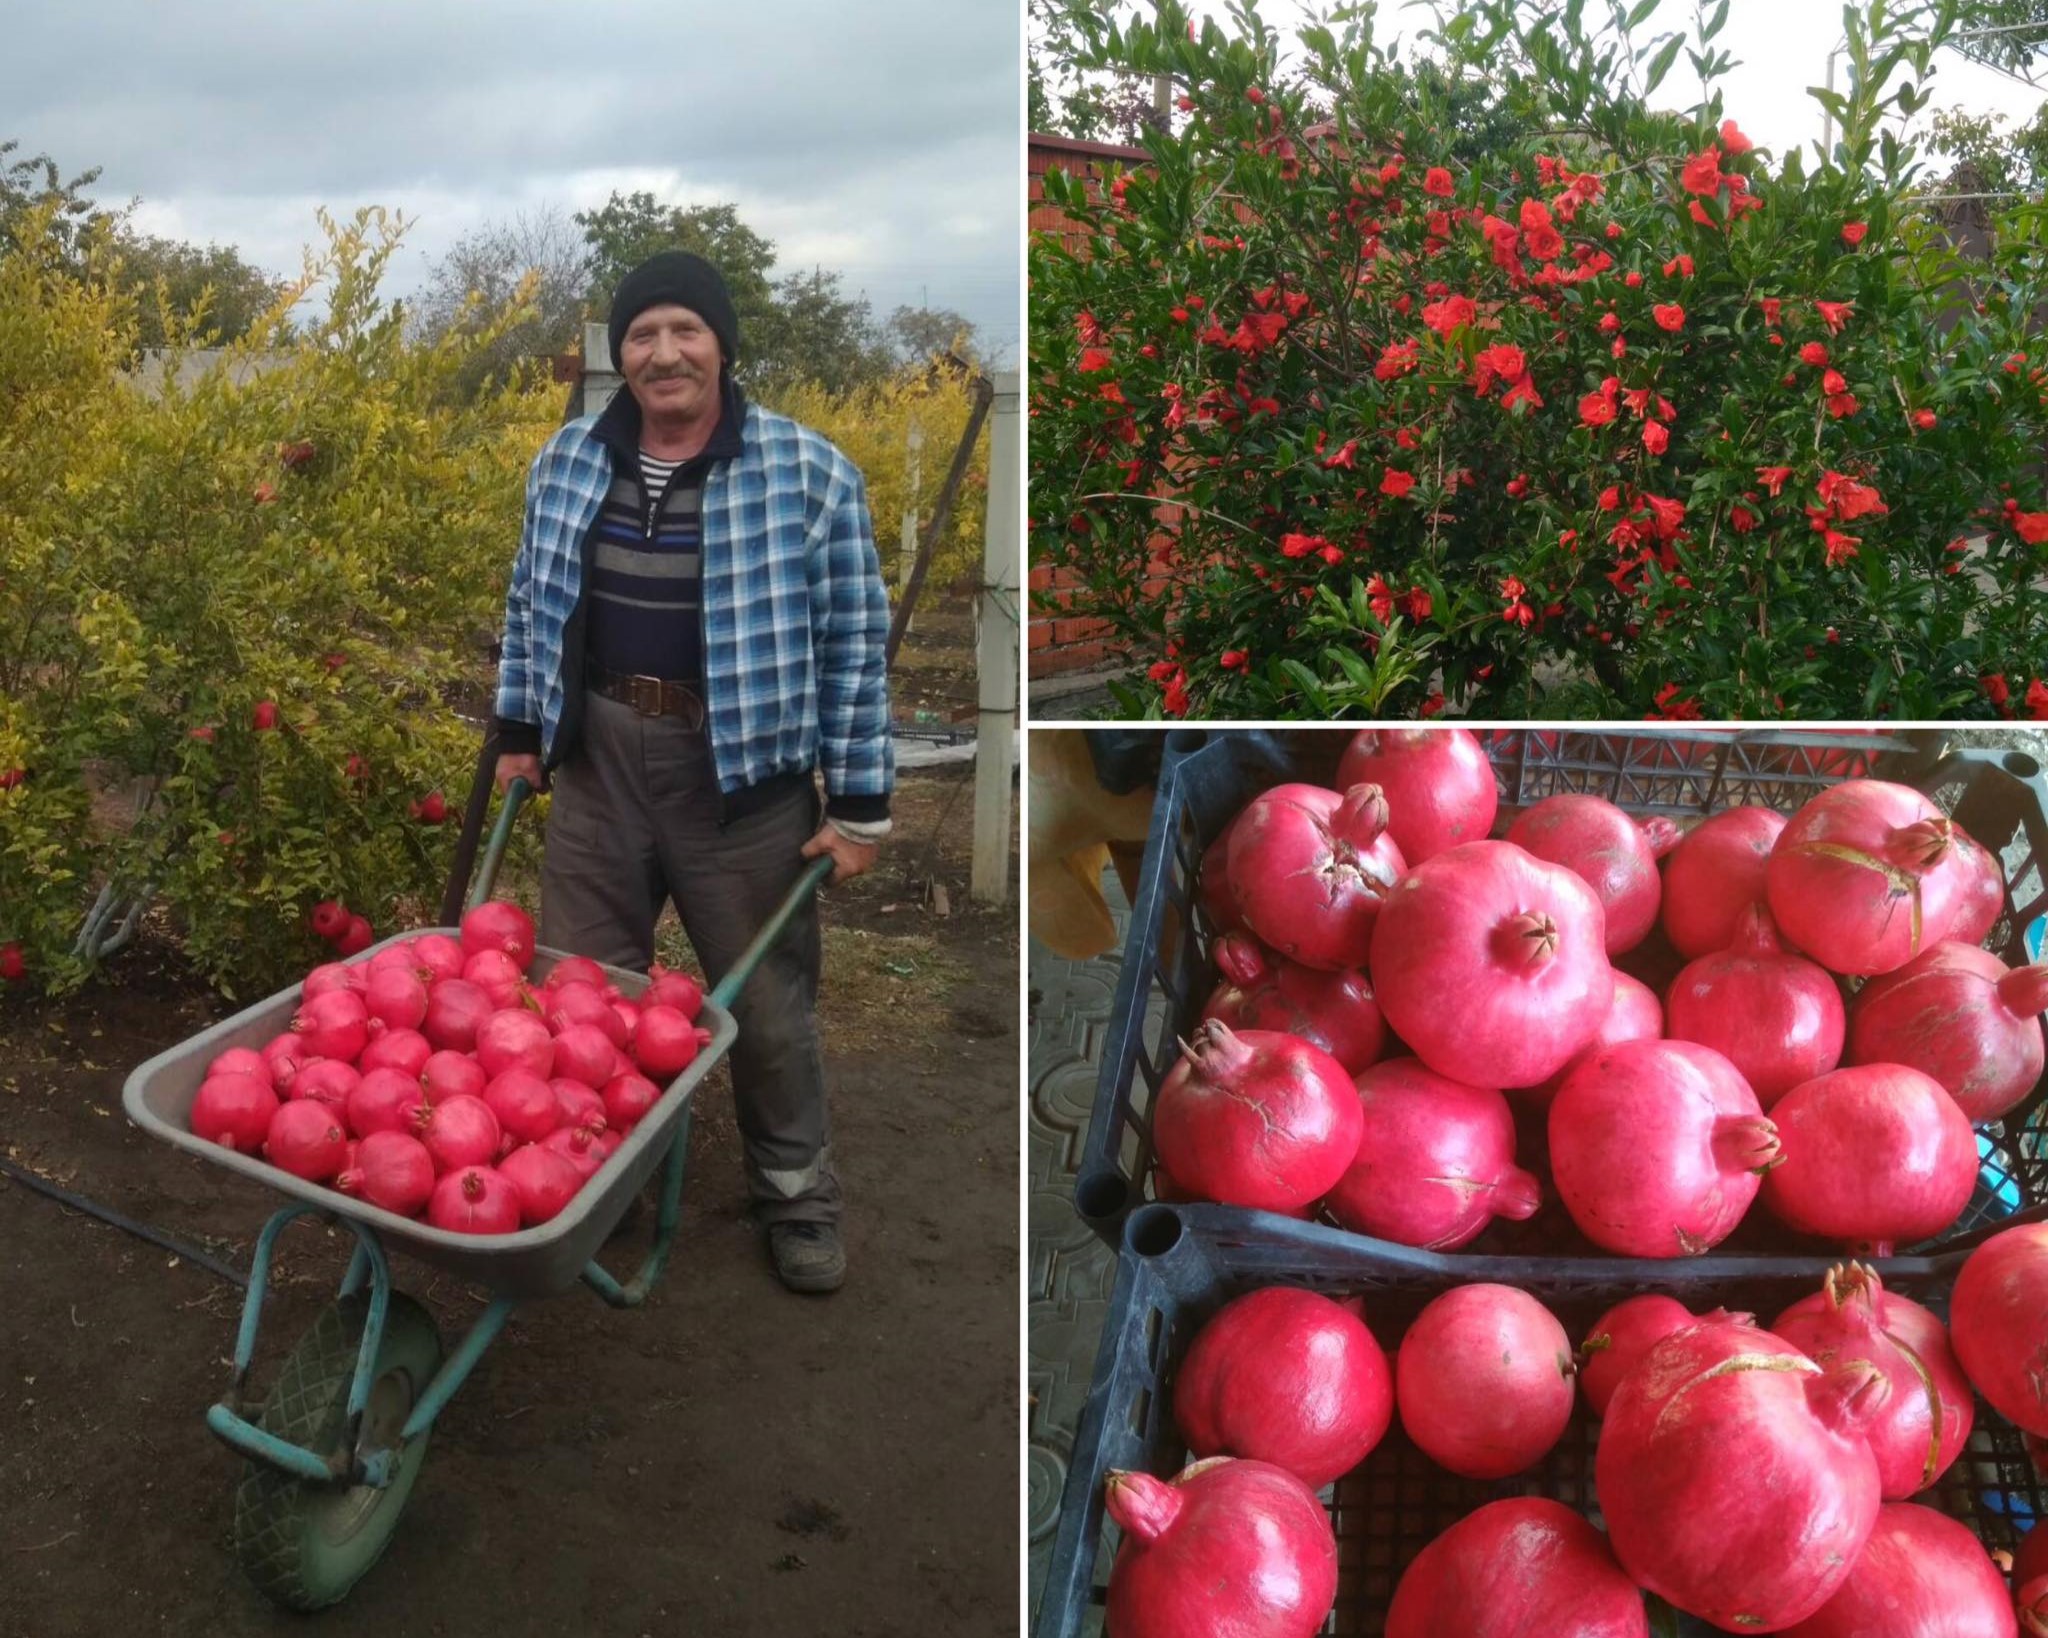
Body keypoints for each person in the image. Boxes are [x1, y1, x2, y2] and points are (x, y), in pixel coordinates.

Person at [490, 249, 893, 1293]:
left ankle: (796, 1193)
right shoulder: (567, 460)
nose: (662, 354)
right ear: (618, 355)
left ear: (720, 345)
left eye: (684, 331)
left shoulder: (807, 471)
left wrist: (857, 806)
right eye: (641, 335)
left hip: (742, 781)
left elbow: (853, 640)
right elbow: (529, 606)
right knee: (581, 995)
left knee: (763, 1009)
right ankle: (604, 1181)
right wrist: (518, 731)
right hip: (600, 766)